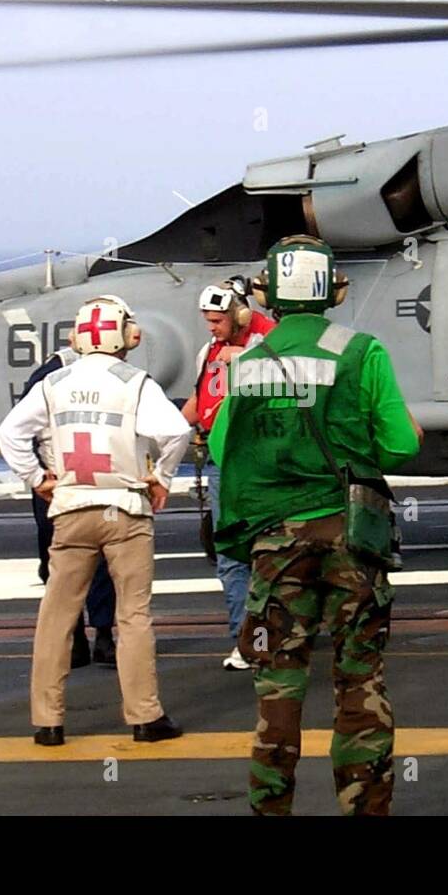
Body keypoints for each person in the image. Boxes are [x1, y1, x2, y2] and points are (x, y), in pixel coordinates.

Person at [210, 234, 421, 815]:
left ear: (267, 294)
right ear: (334, 290)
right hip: (351, 537)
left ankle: (271, 808)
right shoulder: (361, 351)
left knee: (278, 688)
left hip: (277, 545)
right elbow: (400, 446)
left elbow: (226, 449)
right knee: (360, 683)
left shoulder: (247, 362)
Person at [0, 295, 193, 747]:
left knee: (56, 616)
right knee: (133, 615)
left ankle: (47, 723)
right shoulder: (136, 382)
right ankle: (145, 718)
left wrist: (36, 479)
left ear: (77, 338)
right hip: (125, 509)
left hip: (70, 510)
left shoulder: (53, 382)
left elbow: (10, 433)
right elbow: (177, 431)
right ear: (128, 336)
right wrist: (160, 477)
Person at [179, 278, 275, 670]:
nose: (212, 328)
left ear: (239, 314)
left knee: (269, 552)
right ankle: (246, 638)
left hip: (260, 461)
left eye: (217, 320)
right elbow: (200, 400)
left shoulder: (268, 344)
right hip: (220, 462)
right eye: (209, 321)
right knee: (231, 557)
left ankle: (270, 635)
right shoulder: (211, 350)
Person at [22, 349, 117, 669]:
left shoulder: (49, 377)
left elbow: (15, 432)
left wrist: (37, 478)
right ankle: (96, 637)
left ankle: (78, 641)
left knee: (61, 565)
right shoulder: (56, 375)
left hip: (59, 485)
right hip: (79, 483)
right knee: (94, 560)